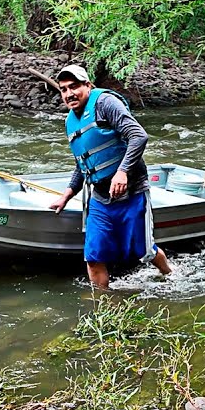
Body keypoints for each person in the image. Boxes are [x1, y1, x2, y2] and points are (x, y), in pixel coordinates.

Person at [48, 65, 172, 289]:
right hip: (100, 198)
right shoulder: (70, 121)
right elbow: (84, 162)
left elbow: (138, 136)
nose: (69, 94)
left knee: (143, 250)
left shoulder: (105, 103)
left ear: (88, 85)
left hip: (132, 191)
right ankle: (103, 309)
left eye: (74, 87)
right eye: (64, 90)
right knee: (94, 258)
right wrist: (67, 194)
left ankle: (170, 275)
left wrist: (122, 172)